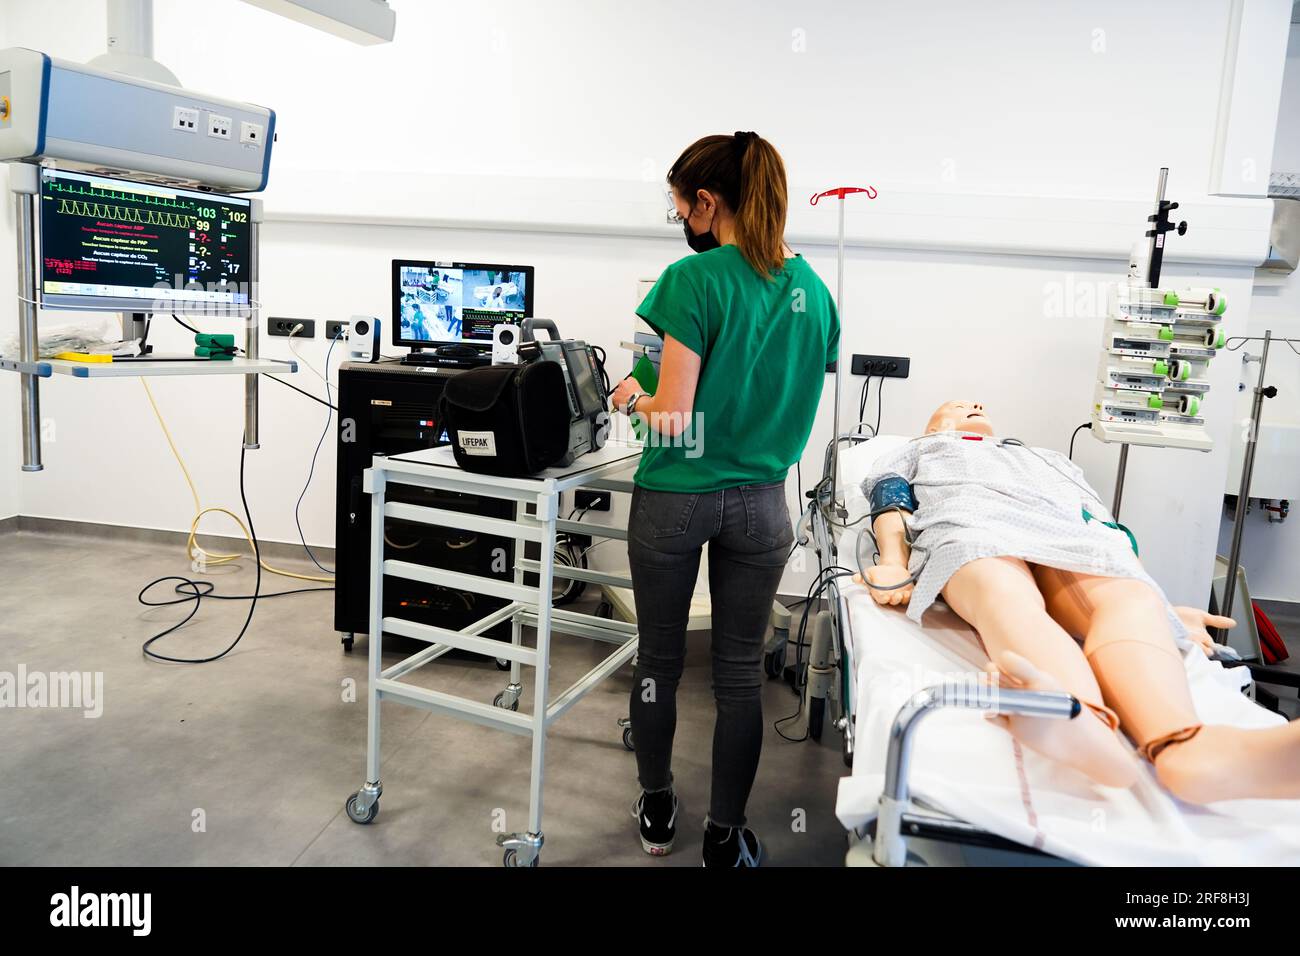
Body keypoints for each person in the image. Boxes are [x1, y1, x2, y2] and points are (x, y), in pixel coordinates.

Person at [858, 400, 1300, 803]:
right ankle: (1077, 717)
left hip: (1071, 529)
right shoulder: (922, 449)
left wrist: (1164, 612)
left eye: (978, 401)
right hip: (971, 520)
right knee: (1004, 592)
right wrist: (895, 561)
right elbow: (891, 503)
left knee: (1129, 597)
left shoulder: (1047, 458)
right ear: (928, 426)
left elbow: (1100, 517)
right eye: (956, 403)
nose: (973, 403)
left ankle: (1188, 748)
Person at [609, 131, 839, 866]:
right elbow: (776, 389)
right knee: (740, 673)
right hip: (762, 504)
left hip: (678, 497)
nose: (680, 218)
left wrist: (629, 394)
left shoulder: (693, 279)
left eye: (679, 203)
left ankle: (655, 806)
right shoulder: (815, 292)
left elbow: (675, 415)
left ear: (707, 202)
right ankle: (725, 835)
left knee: (660, 663)